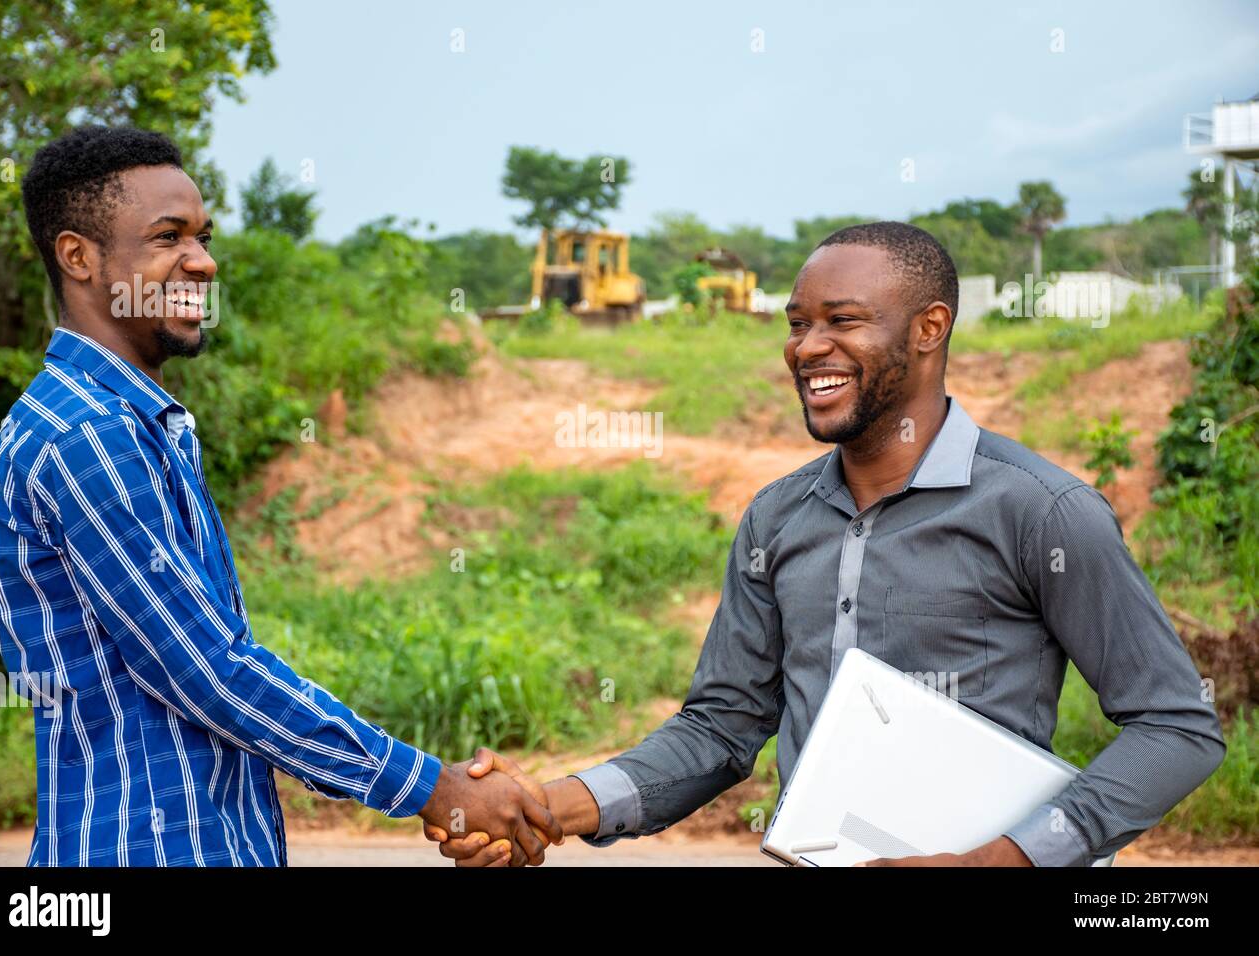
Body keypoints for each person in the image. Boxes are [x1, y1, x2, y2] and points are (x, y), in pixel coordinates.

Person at [431, 221, 1228, 867]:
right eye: (798, 324)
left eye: (842, 321)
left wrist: (1003, 862)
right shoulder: (776, 519)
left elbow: (1176, 726)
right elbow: (722, 728)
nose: (807, 348)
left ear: (929, 328)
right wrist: (547, 805)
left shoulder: (1043, 512)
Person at [0, 125, 561, 866]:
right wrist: (434, 787)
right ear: (78, 257)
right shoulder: (88, 436)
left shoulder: (129, 424)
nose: (203, 260)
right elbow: (208, 670)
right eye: (168, 237)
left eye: (204, 236)